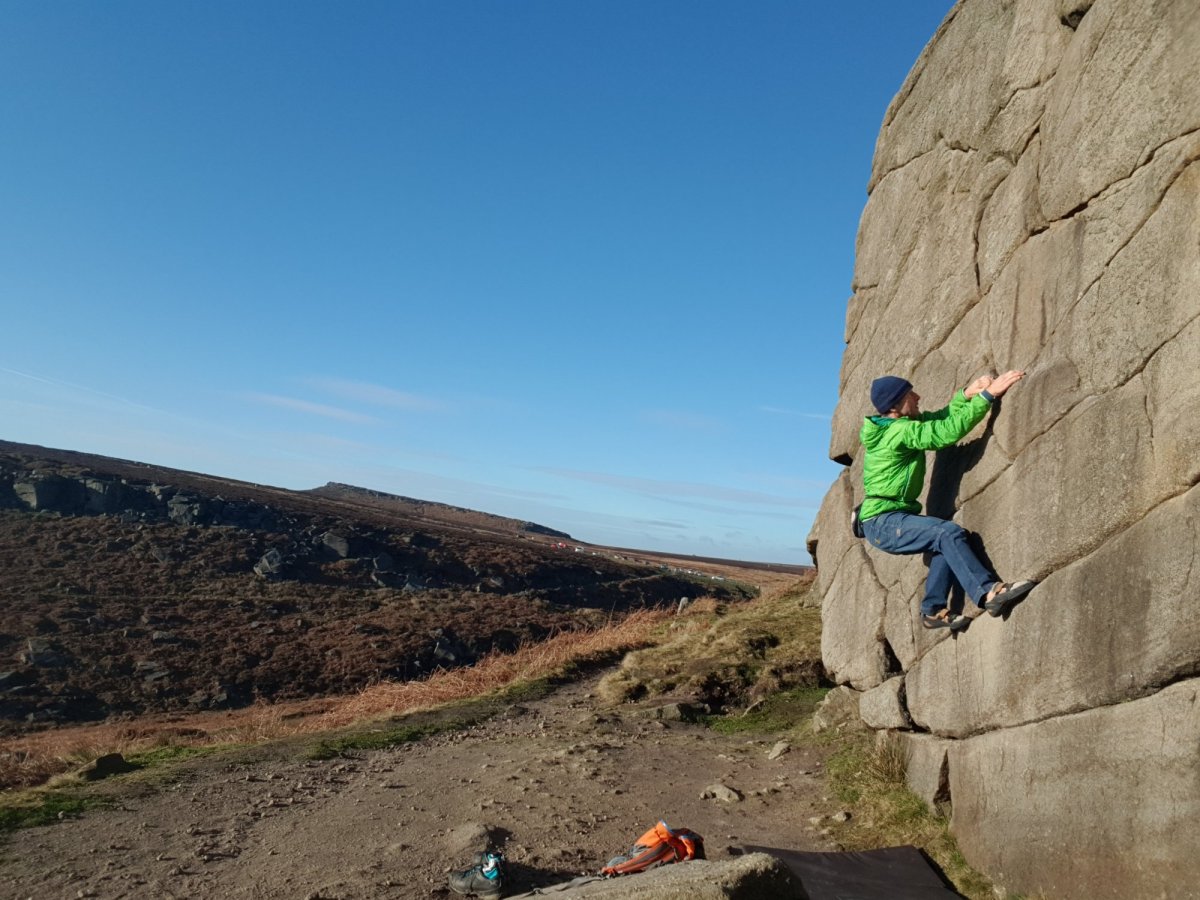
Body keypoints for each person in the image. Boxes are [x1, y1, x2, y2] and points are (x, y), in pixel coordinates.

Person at [859, 370, 1035, 631]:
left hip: (887, 519)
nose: (918, 397)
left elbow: (939, 418)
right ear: (895, 406)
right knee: (946, 533)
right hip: (883, 522)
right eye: (910, 394)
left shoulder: (895, 427)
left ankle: (932, 610)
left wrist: (967, 394)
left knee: (945, 541)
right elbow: (944, 433)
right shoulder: (899, 431)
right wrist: (988, 396)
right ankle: (989, 593)